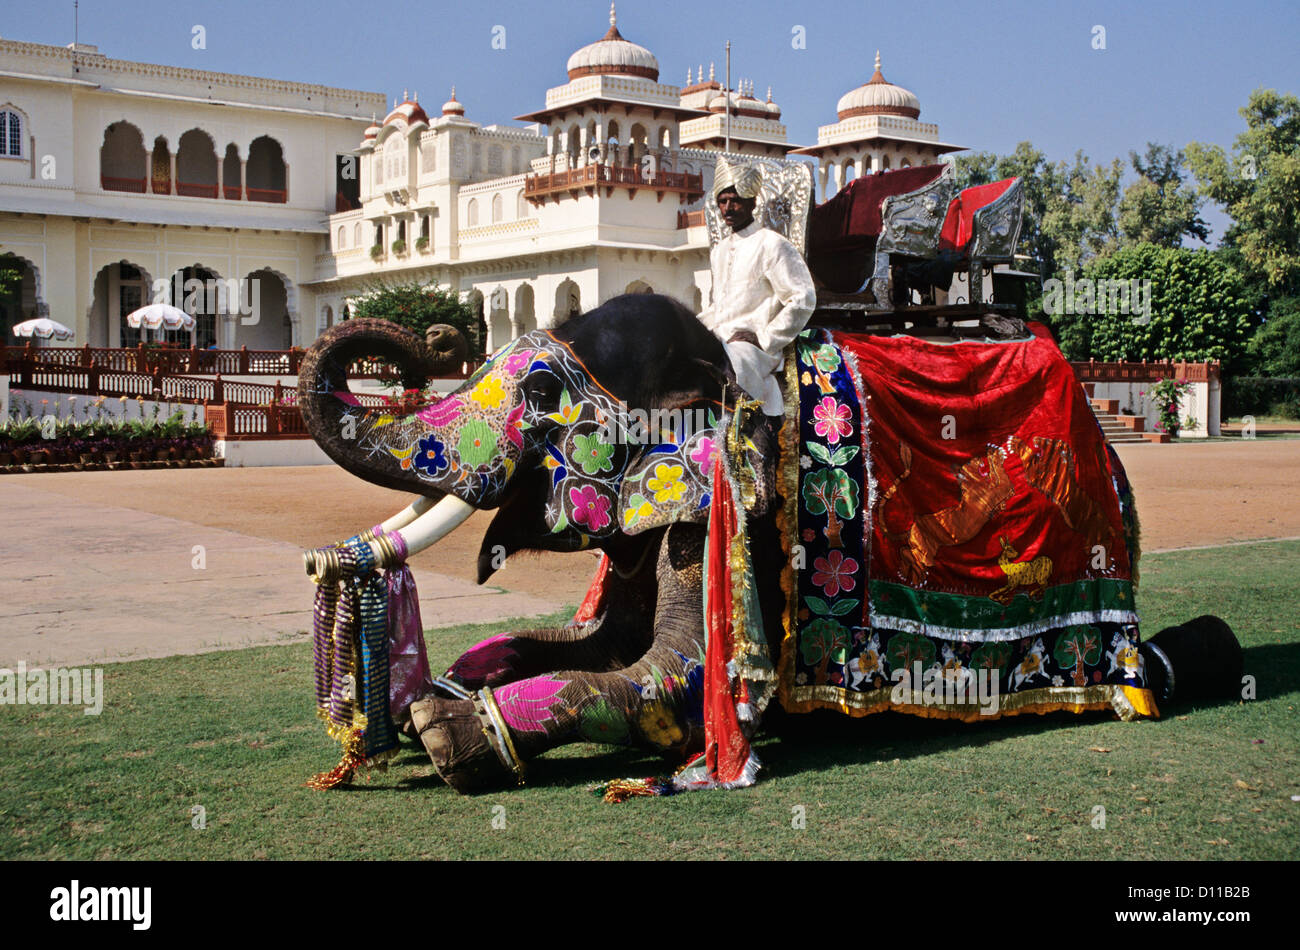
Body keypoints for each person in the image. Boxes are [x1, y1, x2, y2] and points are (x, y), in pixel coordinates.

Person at [696, 157, 817, 416]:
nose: (728, 207)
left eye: (735, 200)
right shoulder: (719, 252)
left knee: (733, 367)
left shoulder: (771, 244)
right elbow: (719, 308)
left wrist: (763, 337)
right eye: (722, 200)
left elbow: (803, 298)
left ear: (752, 202)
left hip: (753, 349)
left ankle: (755, 440)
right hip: (719, 336)